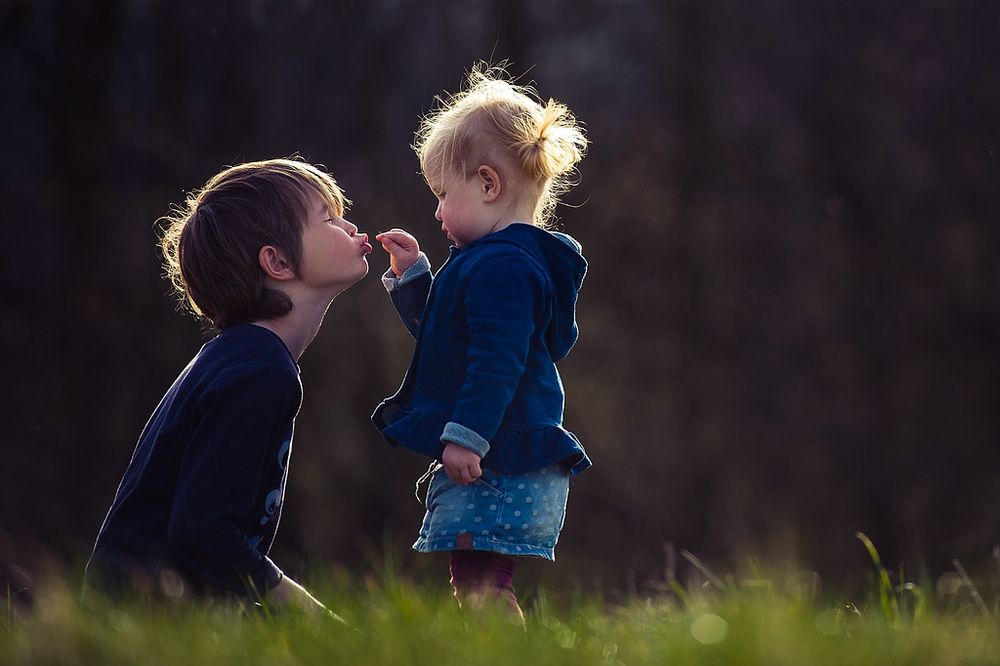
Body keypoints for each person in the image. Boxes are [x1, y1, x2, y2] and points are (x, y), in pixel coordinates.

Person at [85, 158, 372, 610]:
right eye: (329, 218)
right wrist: (303, 609)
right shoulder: (260, 373)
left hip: (155, 607)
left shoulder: (244, 358)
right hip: (146, 612)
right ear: (277, 262)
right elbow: (201, 530)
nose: (349, 224)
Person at [372, 64, 591, 621]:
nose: (438, 211)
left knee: (483, 583)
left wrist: (467, 438)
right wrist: (416, 274)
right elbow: (450, 342)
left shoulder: (502, 268)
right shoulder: (495, 261)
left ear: (489, 184)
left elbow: (497, 362)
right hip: (501, 455)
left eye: (444, 194)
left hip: (498, 458)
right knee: (478, 578)